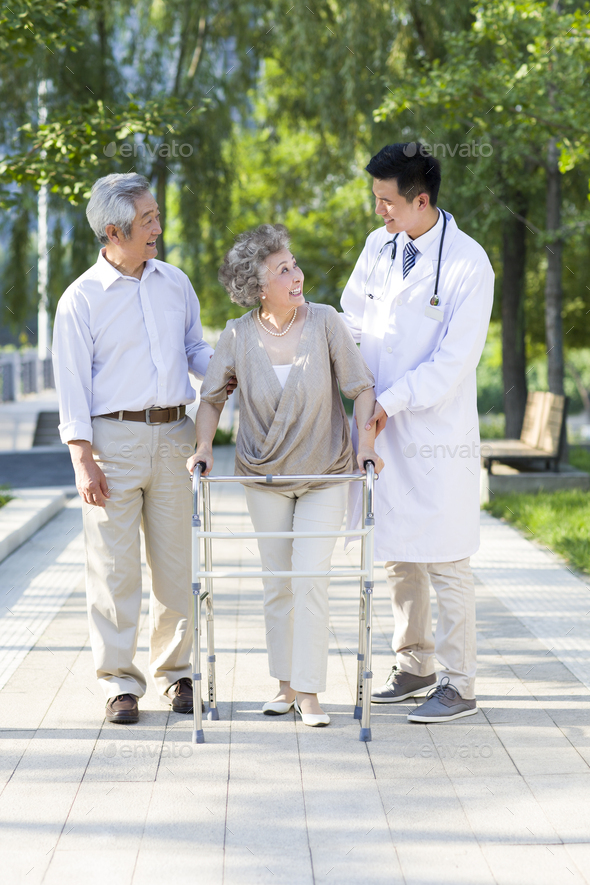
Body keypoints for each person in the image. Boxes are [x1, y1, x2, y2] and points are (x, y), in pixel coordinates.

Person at [187, 224, 383, 727]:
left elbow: (360, 387)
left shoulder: (326, 323)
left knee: (310, 578)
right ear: (258, 287)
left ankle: (312, 693)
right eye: (283, 270)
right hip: (262, 473)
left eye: (293, 265)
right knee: (277, 582)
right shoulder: (236, 333)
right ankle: (285, 686)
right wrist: (204, 446)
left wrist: (366, 444)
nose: (296, 276)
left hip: (324, 469)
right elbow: (211, 398)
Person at [53, 172, 226, 725]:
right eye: (148, 219)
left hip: (176, 435)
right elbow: (72, 384)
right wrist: (82, 458)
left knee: (177, 566)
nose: (159, 226)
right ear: (114, 231)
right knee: (114, 570)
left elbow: (196, 348)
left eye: (155, 215)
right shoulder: (80, 300)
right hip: (113, 443)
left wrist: (230, 370)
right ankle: (119, 684)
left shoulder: (174, 282)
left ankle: (177, 675)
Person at [341, 143, 494, 723]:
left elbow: (454, 363)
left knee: (447, 557)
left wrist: (390, 401)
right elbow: (353, 317)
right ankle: (415, 664)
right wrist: (355, 384)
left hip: (435, 432)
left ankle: (461, 683)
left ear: (421, 200)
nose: (378, 212)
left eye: (387, 202)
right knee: (397, 554)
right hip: (380, 426)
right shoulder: (382, 245)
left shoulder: (467, 264)